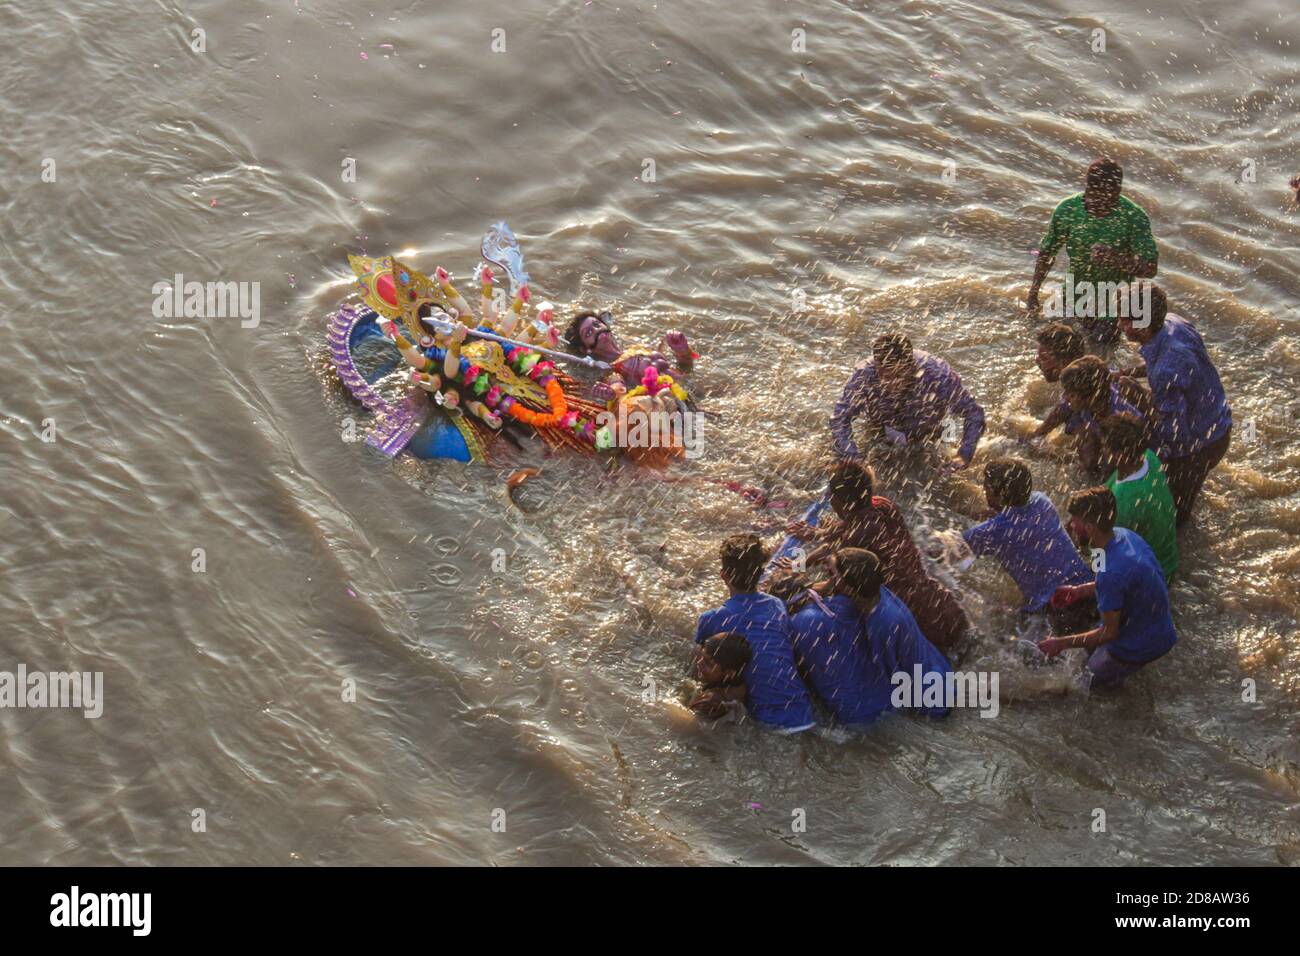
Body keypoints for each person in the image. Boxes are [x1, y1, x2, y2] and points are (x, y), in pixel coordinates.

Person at [791, 460, 969, 653]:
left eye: (830, 495)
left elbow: (834, 585)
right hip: (945, 608)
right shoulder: (882, 505)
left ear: (838, 502)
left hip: (920, 627)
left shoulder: (855, 538)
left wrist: (796, 573)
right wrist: (818, 533)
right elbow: (850, 525)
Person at [1040, 488, 1177, 689]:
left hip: (1140, 645)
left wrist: (1060, 643)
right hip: (1153, 623)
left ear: (1089, 528)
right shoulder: (1122, 536)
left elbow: (1109, 633)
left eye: (1075, 521)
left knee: (1083, 685)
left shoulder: (1111, 573)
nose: (1070, 525)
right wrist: (1079, 591)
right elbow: (1114, 582)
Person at [1117, 286, 1232, 525]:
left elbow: (1175, 436)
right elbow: (1169, 364)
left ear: (1143, 325)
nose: (1119, 324)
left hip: (1200, 447)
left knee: (1176, 514)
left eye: (1124, 320)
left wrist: (1139, 398)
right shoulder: (1174, 323)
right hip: (1218, 421)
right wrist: (1127, 372)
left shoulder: (1165, 372)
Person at [1027, 156, 1159, 344]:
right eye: (1096, 197)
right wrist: (1033, 294)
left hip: (1113, 304)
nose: (1101, 204)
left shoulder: (1133, 217)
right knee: (1057, 344)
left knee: (1101, 346)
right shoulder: (1068, 210)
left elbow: (1150, 269)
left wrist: (1116, 260)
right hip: (1073, 294)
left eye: (1108, 199)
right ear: (1087, 188)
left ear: (1117, 191)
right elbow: (1047, 253)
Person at [695, 534, 817, 732]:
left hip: (768, 722)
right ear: (760, 574)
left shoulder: (712, 618)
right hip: (803, 712)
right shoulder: (776, 605)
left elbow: (699, 664)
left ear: (723, 575)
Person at [962, 458, 1095, 632]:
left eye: (986, 487)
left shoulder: (992, 531)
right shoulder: (1042, 501)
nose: (984, 491)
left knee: (1001, 629)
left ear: (999, 493)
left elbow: (952, 553)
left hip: (1056, 608)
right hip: (1089, 588)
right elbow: (1020, 522)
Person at [830, 332, 985, 472]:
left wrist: (964, 455)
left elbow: (973, 413)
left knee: (940, 475)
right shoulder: (864, 375)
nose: (888, 383)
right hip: (882, 432)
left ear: (911, 366)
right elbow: (840, 418)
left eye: (897, 375)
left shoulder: (937, 375)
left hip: (931, 433)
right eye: (883, 374)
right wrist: (854, 458)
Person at [835, 548, 954, 717]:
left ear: (847, 586)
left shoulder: (881, 624)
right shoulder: (878, 591)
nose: (829, 576)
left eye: (834, 574)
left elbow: (887, 673)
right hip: (939, 671)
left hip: (931, 699)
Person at [1031, 323, 1153, 439]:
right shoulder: (1098, 372)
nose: (1037, 361)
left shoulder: (1081, 396)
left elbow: (1055, 417)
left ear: (1063, 361)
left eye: (1044, 358)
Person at [1100, 414, 1179, 580]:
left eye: (1106, 447)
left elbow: (1107, 547)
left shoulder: (1125, 501)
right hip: (1168, 556)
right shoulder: (1149, 457)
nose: (1103, 450)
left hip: (1154, 574)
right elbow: (1109, 484)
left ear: (1120, 453)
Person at [1056, 354, 1153, 475]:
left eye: (1070, 394)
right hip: (1113, 440)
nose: (1065, 397)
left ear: (1089, 397)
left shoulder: (1120, 420)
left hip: (1141, 456)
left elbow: (1133, 460)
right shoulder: (1096, 392)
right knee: (1087, 463)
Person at [688, 632, 751, 719]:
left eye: (708, 664)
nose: (699, 663)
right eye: (702, 656)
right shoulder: (726, 676)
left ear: (729, 673)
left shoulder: (714, 702)